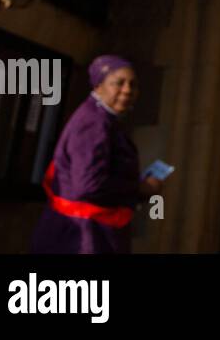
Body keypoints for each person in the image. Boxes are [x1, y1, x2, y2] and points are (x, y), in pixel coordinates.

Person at [31, 55, 162, 254]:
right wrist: (141, 188)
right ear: (98, 86)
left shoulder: (104, 120)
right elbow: (88, 184)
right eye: (118, 83)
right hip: (81, 238)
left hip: (94, 233)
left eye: (133, 85)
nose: (127, 90)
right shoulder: (93, 123)